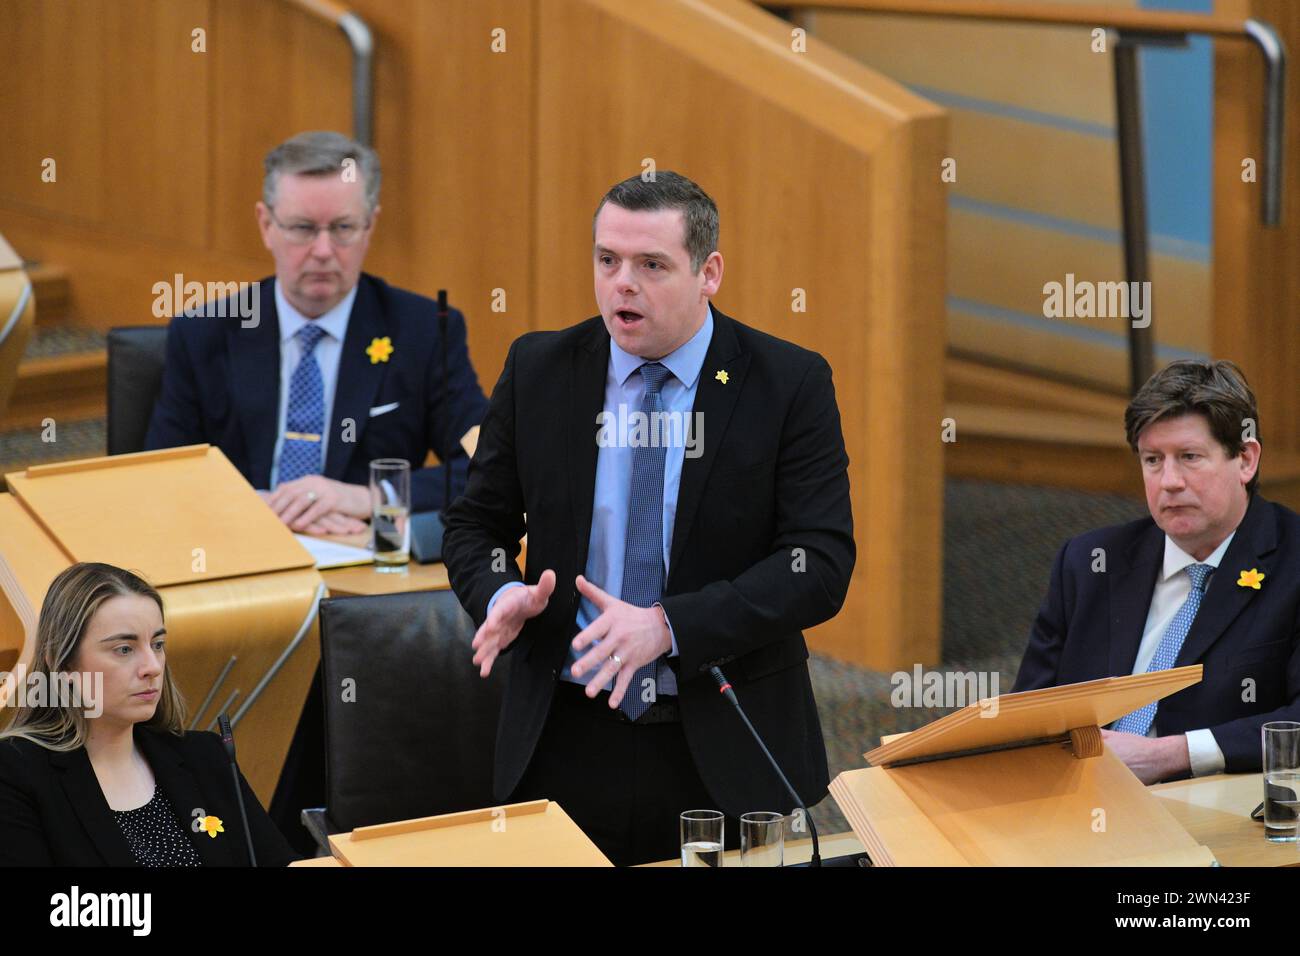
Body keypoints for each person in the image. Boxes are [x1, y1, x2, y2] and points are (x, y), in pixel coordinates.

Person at [442, 171, 855, 866]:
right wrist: (502, 593)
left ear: (709, 272)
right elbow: (474, 525)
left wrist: (668, 625)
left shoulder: (786, 384)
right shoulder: (541, 368)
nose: (621, 284)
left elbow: (818, 565)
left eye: (651, 266)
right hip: (563, 732)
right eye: (608, 261)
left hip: (719, 736)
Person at [145, 130, 489, 531]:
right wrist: (268, 508)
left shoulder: (424, 332)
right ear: (266, 224)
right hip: (241, 549)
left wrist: (371, 496)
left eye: (343, 228)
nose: (323, 251)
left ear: (370, 226)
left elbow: (488, 465)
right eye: (303, 229)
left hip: (362, 561)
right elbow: (163, 475)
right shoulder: (204, 334)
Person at [1013, 360, 1300, 783]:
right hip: (1075, 804)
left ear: (1245, 459)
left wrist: (1173, 753)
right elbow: (1028, 713)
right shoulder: (1089, 561)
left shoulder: (1292, 561)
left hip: (1215, 815)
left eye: (1189, 457)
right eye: (1152, 460)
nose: (1169, 481)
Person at [0, 563, 298, 866]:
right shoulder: (15, 774)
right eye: (124, 649)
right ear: (62, 665)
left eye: (157, 644)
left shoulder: (206, 755)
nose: (153, 667)